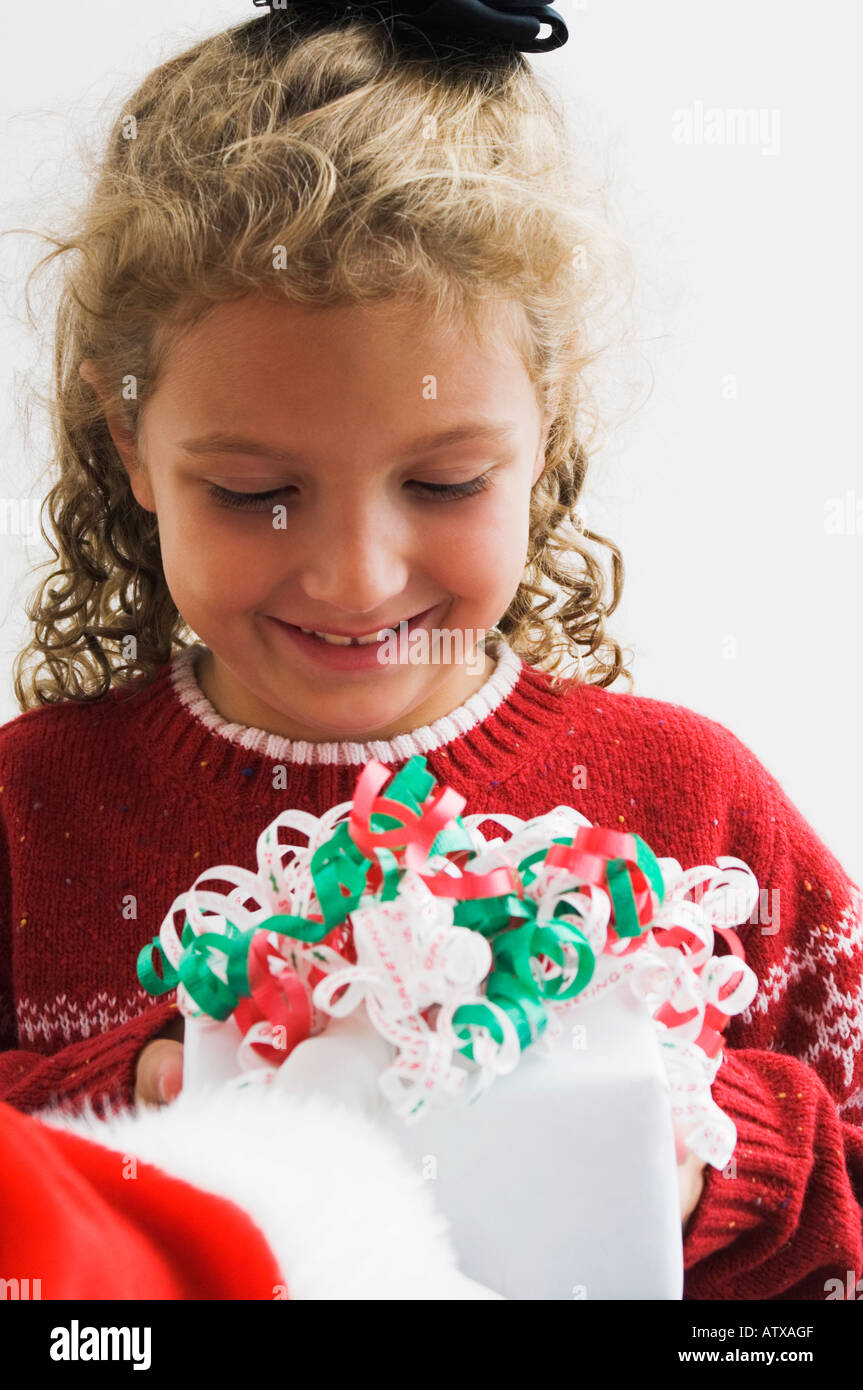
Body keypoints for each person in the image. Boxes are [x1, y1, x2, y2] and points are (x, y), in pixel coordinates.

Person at [0, 1, 860, 1300]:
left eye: (448, 481)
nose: (356, 576)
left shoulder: (701, 813)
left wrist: (697, 1145)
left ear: (546, 423)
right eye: (252, 492)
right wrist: (138, 1092)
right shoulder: (27, 816)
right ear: (130, 450)